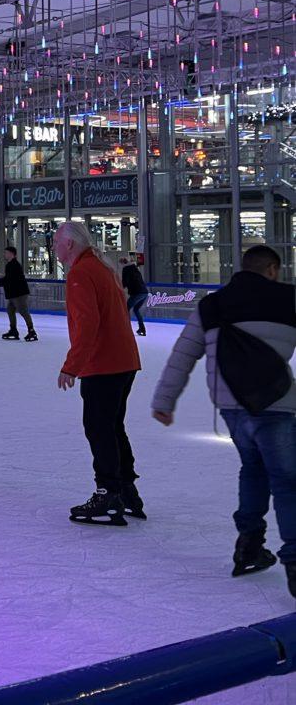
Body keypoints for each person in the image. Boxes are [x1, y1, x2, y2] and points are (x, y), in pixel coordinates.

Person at [151, 245, 296, 593]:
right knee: (286, 480)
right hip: (276, 404)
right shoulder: (289, 299)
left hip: (232, 407)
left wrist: (164, 400)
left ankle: (249, 545)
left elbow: (182, 355)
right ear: (272, 270)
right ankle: (295, 562)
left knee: (253, 468)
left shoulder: (211, 304)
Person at [54, 221, 143, 526]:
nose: (53, 247)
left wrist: (71, 366)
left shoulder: (81, 273)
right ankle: (126, 489)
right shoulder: (103, 267)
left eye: (56, 241)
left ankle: (108, 493)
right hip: (124, 361)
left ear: (69, 245)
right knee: (113, 426)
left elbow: (87, 325)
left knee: (99, 428)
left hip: (103, 364)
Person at [0, 246, 37, 342]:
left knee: (23, 311)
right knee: (10, 310)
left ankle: (31, 331)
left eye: (6, 253)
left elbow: (9, 280)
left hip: (19, 293)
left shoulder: (14, 265)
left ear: (11, 254)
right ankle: (13, 330)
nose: (5, 254)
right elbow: (8, 279)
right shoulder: (10, 264)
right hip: (14, 293)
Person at [121, 255, 149, 337]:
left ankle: (126, 329)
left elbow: (124, 283)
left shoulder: (125, 269)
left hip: (137, 293)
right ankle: (142, 329)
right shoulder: (135, 268)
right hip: (144, 292)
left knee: (126, 309)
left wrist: (118, 288)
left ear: (123, 263)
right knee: (136, 309)